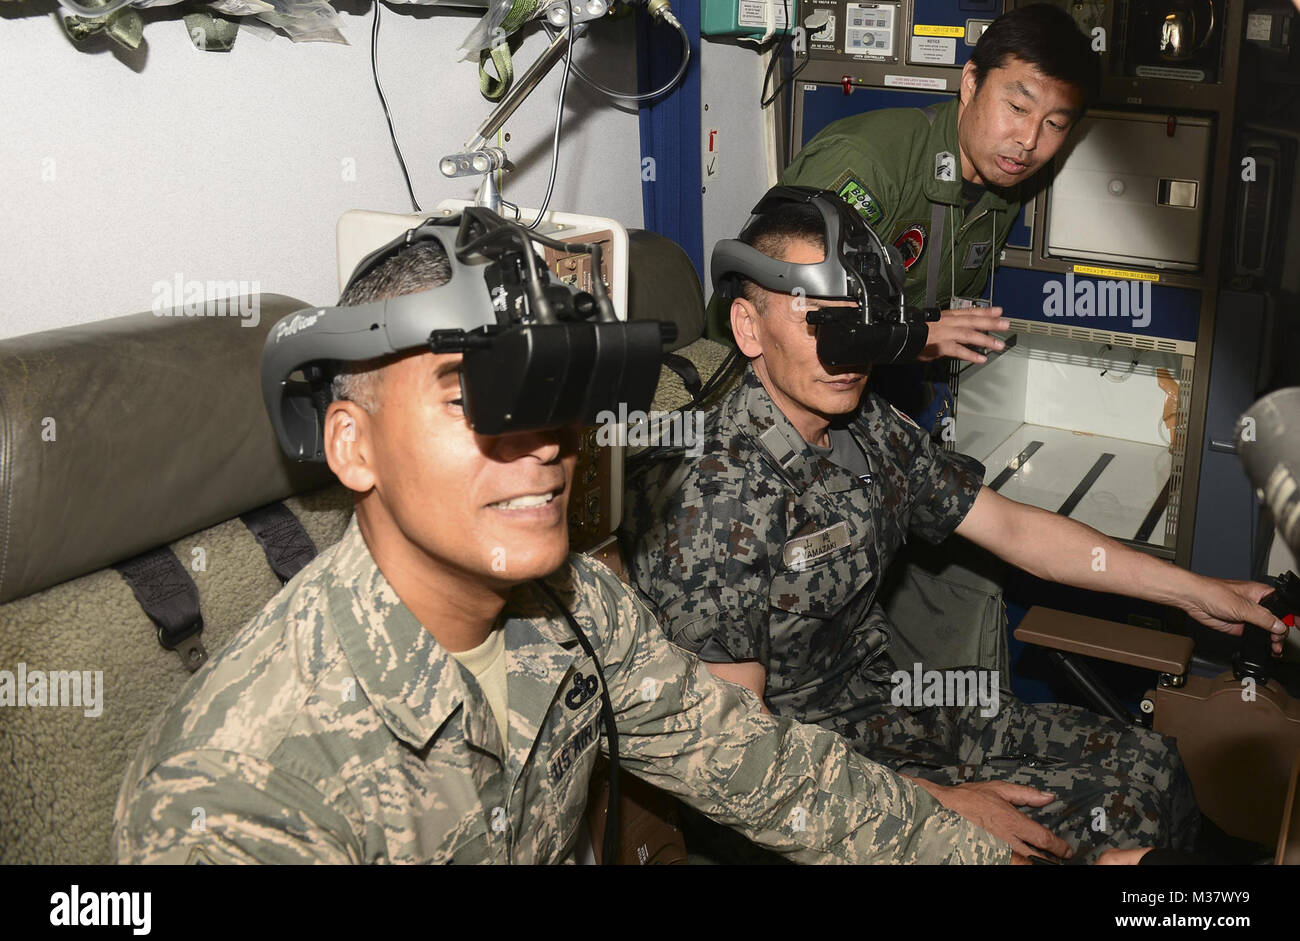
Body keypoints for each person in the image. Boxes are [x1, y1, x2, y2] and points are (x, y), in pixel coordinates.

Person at [111, 214, 1013, 865]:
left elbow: (773, 773)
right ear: (352, 445)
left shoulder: (575, 609)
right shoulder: (236, 792)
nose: (545, 440)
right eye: (476, 393)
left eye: (559, 393)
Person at [623, 198, 1290, 862]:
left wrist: (1200, 592)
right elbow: (740, 758)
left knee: (1151, 765)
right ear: (748, 326)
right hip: (813, 787)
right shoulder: (712, 496)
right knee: (1115, 815)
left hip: (887, 710)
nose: (851, 346)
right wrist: (929, 806)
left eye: (865, 319)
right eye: (820, 319)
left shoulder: (862, 424)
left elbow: (1012, 527)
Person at [706, 3, 1099, 415]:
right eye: (1017, 108)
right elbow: (786, 315)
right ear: (970, 83)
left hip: (862, 376)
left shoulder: (1005, 186)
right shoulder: (869, 163)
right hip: (756, 382)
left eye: (1054, 124)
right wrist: (915, 335)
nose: (1029, 139)